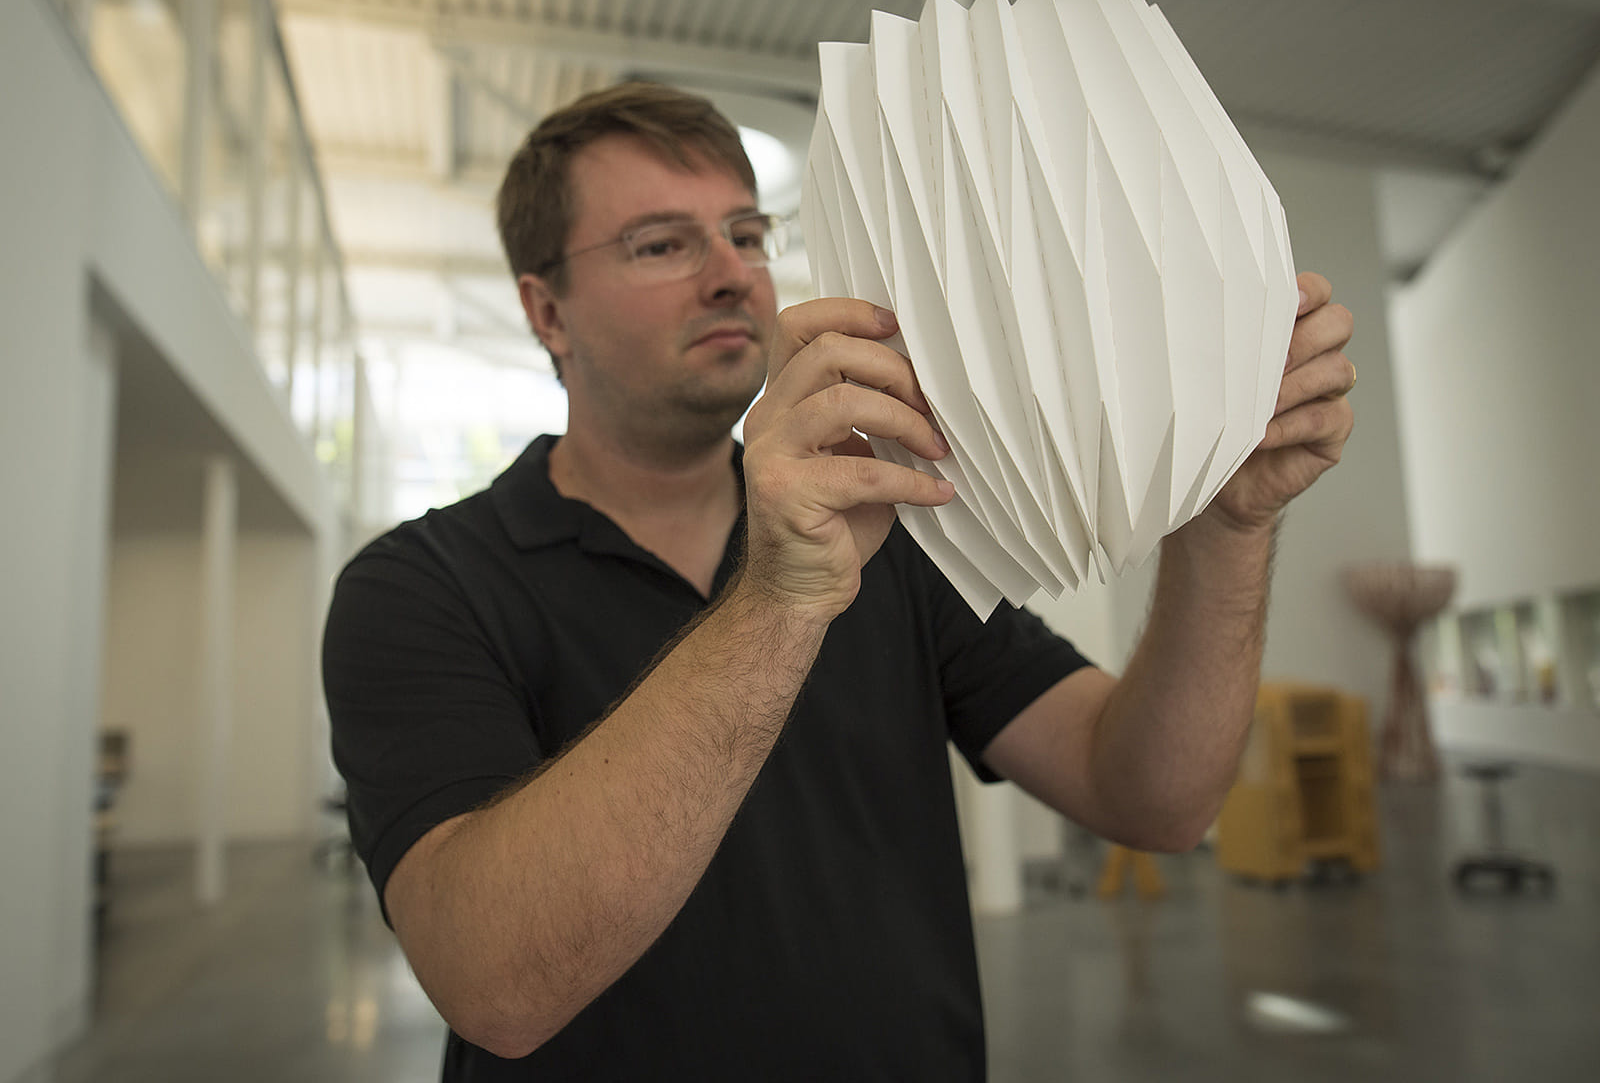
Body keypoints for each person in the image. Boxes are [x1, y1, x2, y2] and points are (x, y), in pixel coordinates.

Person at [322, 81, 1356, 1080]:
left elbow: (1153, 797)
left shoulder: (891, 530)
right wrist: (777, 601)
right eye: (662, 243)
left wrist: (1227, 526)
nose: (732, 274)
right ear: (547, 312)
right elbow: (495, 985)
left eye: (747, 232)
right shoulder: (424, 585)